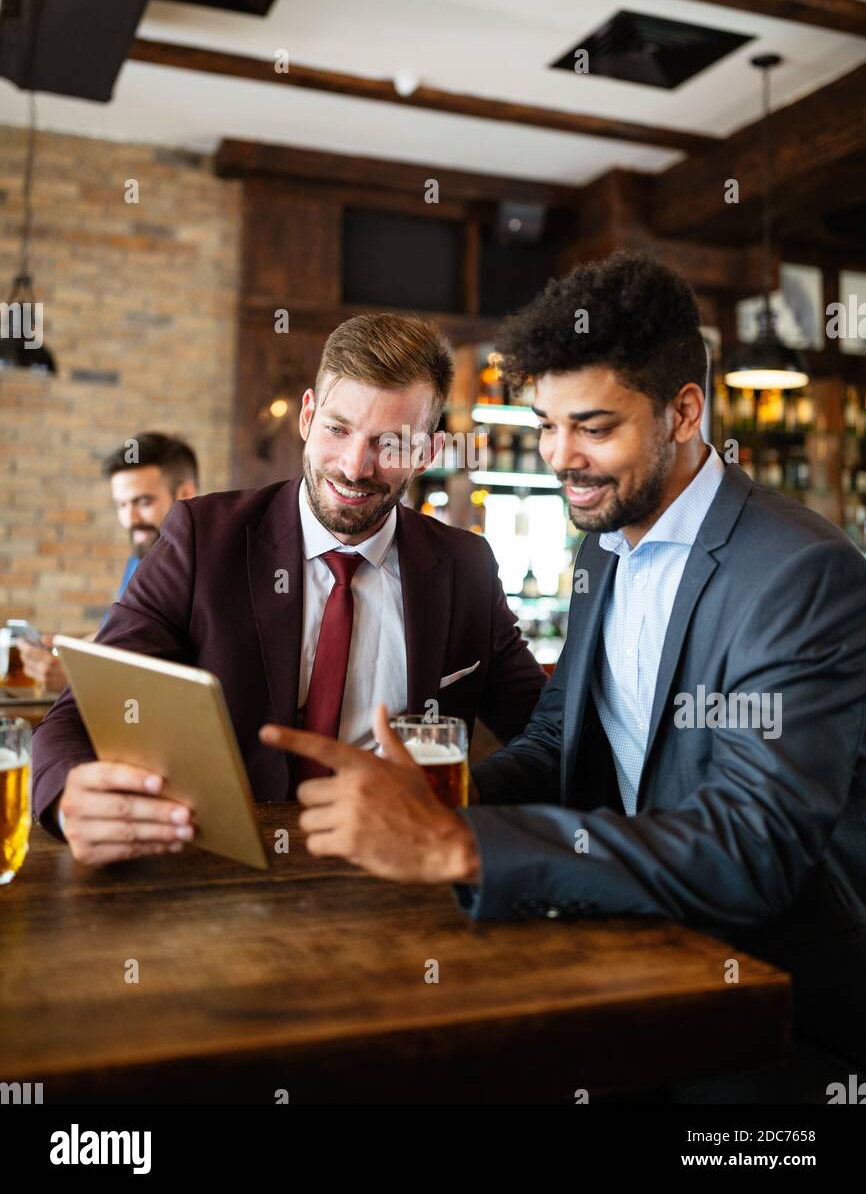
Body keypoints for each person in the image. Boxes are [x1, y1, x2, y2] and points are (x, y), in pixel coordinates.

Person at [265, 252, 866, 1096]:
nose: (560, 456)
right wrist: (437, 797)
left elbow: (751, 846)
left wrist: (458, 842)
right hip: (622, 948)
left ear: (684, 412)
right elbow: (558, 741)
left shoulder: (799, 572)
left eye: (594, 426)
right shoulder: (603, 551)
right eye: (546, 423)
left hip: (770, 1006)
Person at [31, 313, 545, 867]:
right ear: (307, 416)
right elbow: (79, 712)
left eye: (390, 443)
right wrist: (68, 796)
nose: (354, 466)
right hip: (221, 871)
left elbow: (543, 733)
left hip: (399, 877)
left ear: (427, 452)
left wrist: (458, 798)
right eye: (338, 429)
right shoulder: (203, 538)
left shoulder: (465, 565)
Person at [17, 433, 198, 693]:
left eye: (143, 502)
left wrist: (81, 678)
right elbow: (121, 633)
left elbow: (187, 680)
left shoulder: (207, 572)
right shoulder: (140, 560)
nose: (129, 519)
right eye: (121, 505)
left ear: (185, 493)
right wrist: (64, 649)